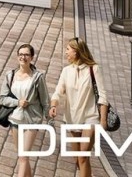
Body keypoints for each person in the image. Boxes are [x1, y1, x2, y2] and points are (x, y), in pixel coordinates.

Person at [48, 38, 108, 177]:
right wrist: (53, 105)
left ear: (77, 51)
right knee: (78, 160)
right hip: (72, 118)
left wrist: (103, 121)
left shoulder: (94, 69)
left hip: (90, 117)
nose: (66, 52)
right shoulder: (66, 71)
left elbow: (103, 96)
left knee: (83, 156)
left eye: (68, 49)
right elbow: (58, 91)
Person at [3, 43, 50, 177]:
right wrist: (17, 102)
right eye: (21, 54)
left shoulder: (37, 77)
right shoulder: (10, 75)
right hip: (14, 119)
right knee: (23, 157)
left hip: (32, 121)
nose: (23, 57)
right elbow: (3, 98)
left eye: (26, 54)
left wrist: (49, 119)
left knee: (23, 157)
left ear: (32, 57)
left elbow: (45, 100)